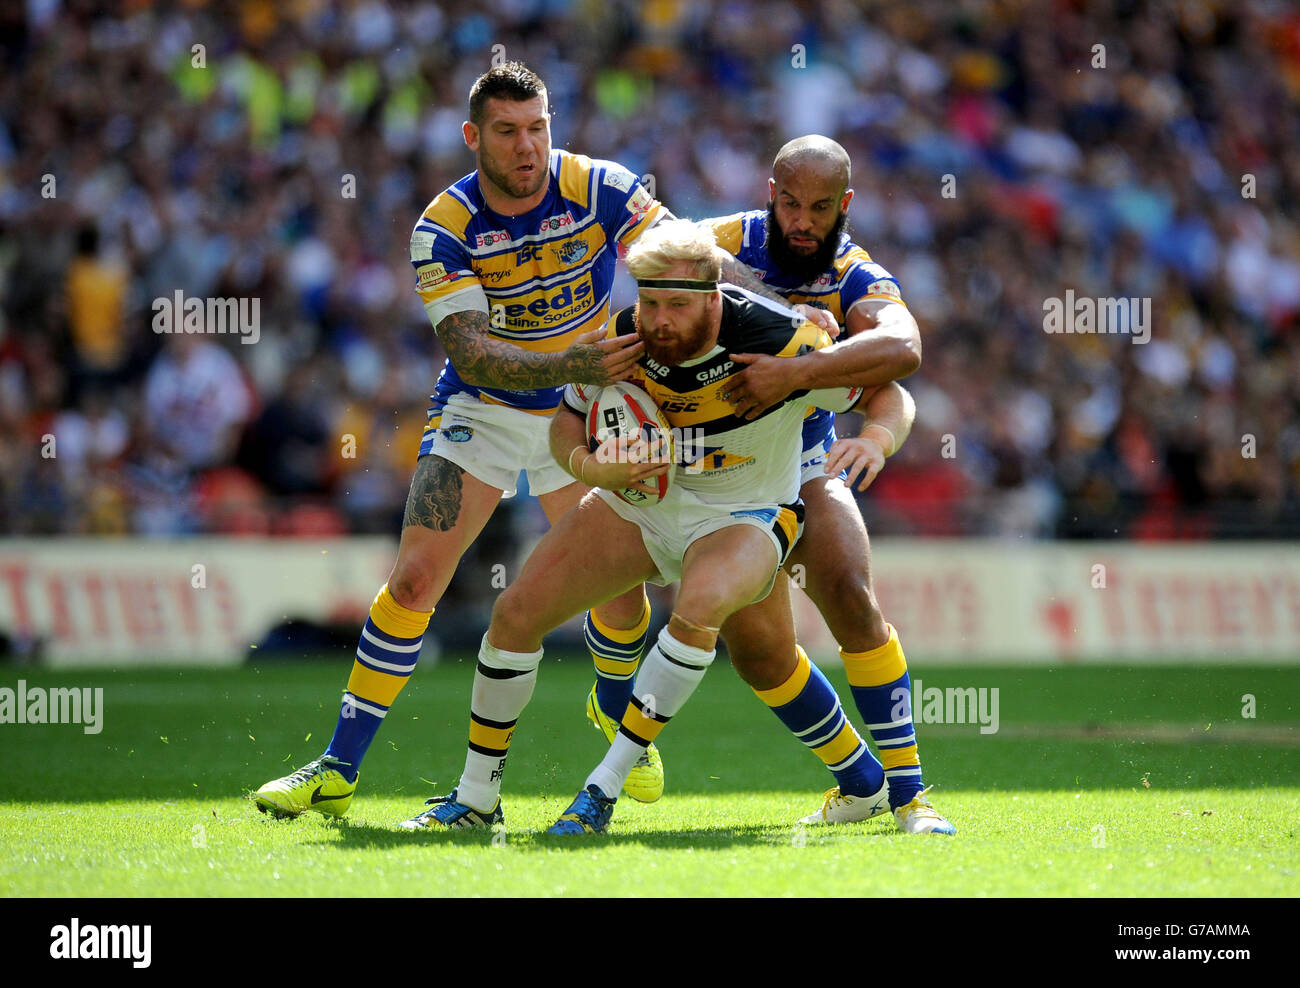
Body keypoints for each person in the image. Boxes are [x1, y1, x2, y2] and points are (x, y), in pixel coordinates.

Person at [400, 219, 917, 835]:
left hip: (743, 514)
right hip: (643, 505)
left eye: (676, 304)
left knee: (709, 621)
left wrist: (878, 442)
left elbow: (889, 392)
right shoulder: (624, 335)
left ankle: (602, 790)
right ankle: (476, 798)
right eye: (649, 301)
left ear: (714, 295)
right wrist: (590, 466)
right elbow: (568, 422)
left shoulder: (784, 340)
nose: (659, 320)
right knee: (513, 614)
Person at [251, 61, 668, 821]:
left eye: (538, 128)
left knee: (617, 592)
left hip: (582, 407)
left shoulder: (602, 186)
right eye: (507, 132)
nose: (527, 147)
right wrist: (570, 358)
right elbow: (471, 351)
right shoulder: (442, 227)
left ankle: (616, 712)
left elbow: (679, 255)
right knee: (414, 579)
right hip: (485, 405)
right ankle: (338, 768)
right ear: (474, 137)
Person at [703, 135, 953, 833]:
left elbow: (901, 357)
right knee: (759, 653)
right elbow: (660, 251)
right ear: (770, 192)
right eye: (790, 203)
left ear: (844, 205)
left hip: (802, 461)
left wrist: (868, 432)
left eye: (819, 207)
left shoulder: (853, 274)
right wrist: (779, 317)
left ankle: (911, 798)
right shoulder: (725, 238)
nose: (803, 221)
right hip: (714, 471)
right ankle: (860, 779)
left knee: (849, 592)